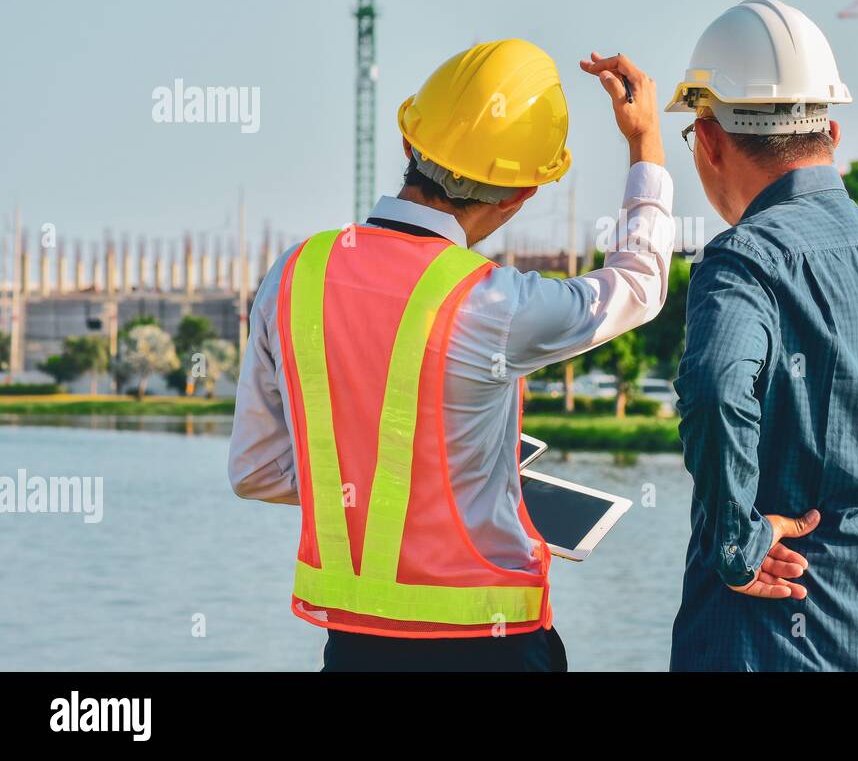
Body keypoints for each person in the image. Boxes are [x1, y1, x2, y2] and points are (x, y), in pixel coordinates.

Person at [228, 39, 672, 671]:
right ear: (520, 194)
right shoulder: (494, 302)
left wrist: (370, 488)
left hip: (352, 652)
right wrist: (645, 141)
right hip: (489, 650)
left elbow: (256, 471)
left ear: (409, 145)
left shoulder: (292, 276)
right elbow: (637, 286)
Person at [665, 0, 858, 671]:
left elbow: (713, 390)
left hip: (761, 648)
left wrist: (738, 545)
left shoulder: (743, 261)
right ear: (831, 133)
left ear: (708, 139)